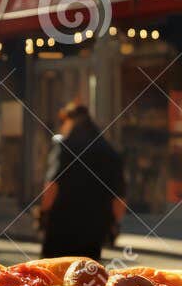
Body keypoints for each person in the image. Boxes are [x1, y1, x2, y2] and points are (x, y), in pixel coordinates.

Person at [39, 102, 126, 260]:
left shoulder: (65, 148)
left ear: (69, 121)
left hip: (61, 228)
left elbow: (51, 187)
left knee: (52, 276)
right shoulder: (110, 152)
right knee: (86, 277)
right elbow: (119, 199)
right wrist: (113, 224)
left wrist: (42, 214)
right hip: (93, 231)